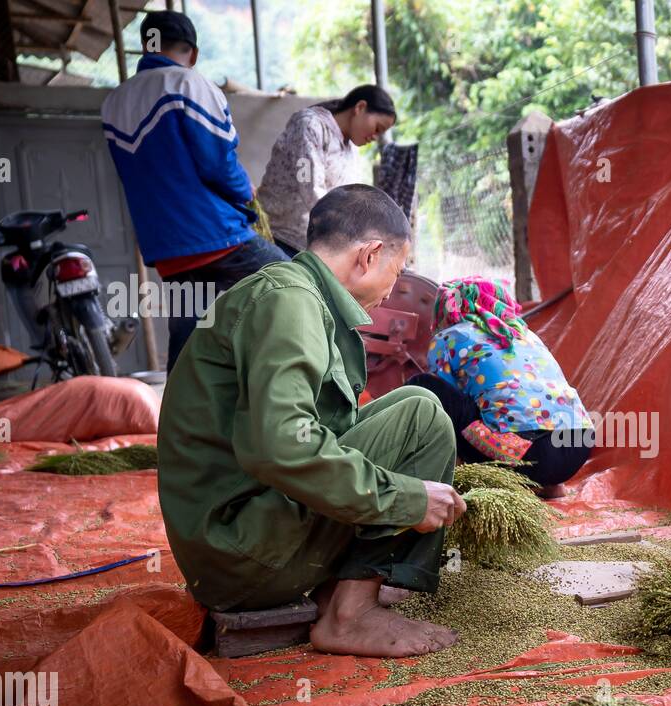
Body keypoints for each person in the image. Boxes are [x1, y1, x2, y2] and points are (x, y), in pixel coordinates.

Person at [158, 185, 466, 658]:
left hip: (242, 533)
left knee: (411, 405)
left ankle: (340, 588)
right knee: (422, 418)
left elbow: (318, 432)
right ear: (370, 255)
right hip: (240, 555)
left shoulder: (293, 294)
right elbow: (282, 445)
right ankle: (350, 615)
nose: (392, 289)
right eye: (397, 270)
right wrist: (406, 498)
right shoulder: (289, 303)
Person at [101, 10, 288, 372]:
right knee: (295, 283)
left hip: (166, 248)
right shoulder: (190, 84)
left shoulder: (115, 103)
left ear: (145, 46)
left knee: (188, 340)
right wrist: (244, 192)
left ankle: (179, 424)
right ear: (194, 52)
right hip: (214, 236)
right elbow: (216, 162)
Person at [405, 277, 594, 491]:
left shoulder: (450, 337)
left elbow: (446, 400)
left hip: (527, 456)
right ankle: (552, 485)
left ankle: (451, 477)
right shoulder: (525, 334)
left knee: (425, 386)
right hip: (579, 445)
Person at [258, 85, 397, 257]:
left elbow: (351, 198)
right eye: (377, 128)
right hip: (280, 237)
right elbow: (310, 188)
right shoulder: (309, 125)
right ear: (360, 108)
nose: (376, 137)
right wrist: (350, 234)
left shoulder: (350, 149)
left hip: (316, 244)